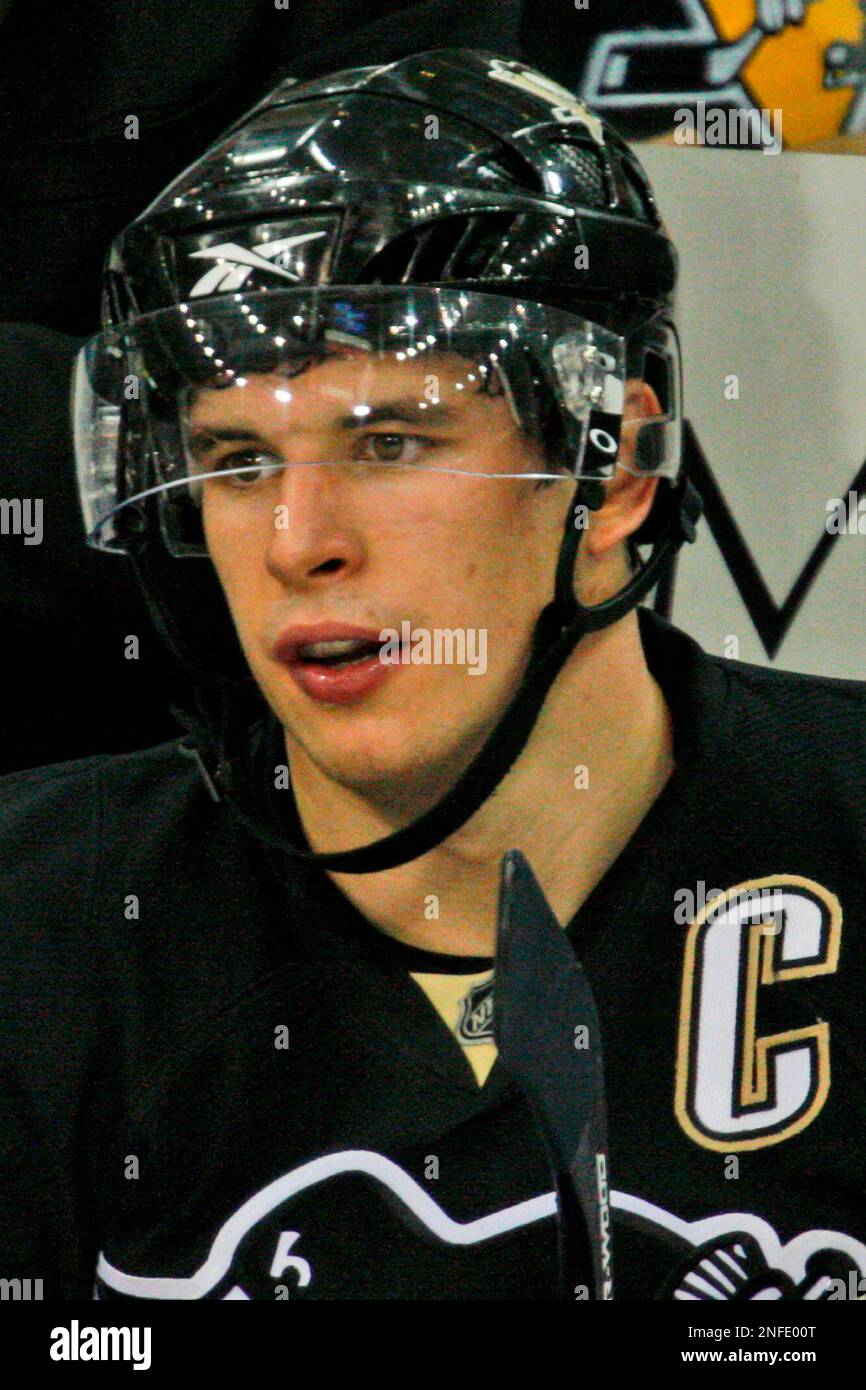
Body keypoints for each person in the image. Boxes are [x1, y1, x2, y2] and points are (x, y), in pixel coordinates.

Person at [1, 49, 864, 1304]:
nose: (299, 540)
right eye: (237, 462)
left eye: (390, 441)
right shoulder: (38, 929)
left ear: (614, 466)